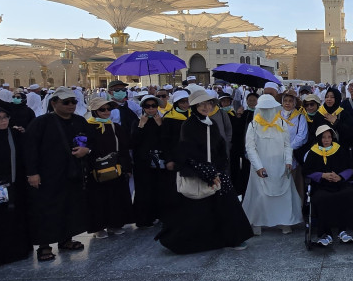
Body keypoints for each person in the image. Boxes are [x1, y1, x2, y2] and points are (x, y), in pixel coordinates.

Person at [156, 88, 252, 253]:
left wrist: (219, 168)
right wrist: (206, 172)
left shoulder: (211, 123)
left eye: (208, 103)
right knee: (195, 212)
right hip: (198, 172)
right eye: (201, 104)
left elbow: (220, 147)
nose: (205, 107)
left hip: (216, 172)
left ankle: (234, 238)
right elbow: (188, 151)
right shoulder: (189, 125)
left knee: (227, 205)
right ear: (194, 106)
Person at [23, 87, 92, 261]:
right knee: (46, 209)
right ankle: (44, 246)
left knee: (69, 206)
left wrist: (86, 150)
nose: (71, 105)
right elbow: (30, 149)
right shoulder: (41, 123)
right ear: (54, 103)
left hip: (71, 173)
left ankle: (65, 239)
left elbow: (92, 141)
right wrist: (32, 173)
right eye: (66, 102)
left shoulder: (79, 121)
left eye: (73, 102)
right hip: (48, 175)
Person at [242, 93, 302, 235]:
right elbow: (250, 148)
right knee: (260, 195)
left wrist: (288, 161)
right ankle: (257, 222)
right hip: (261, 166)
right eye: (264, 109)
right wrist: (258, 166)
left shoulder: (281, 123)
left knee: (283, 195)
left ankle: (284, 221)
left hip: (280, 166)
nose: (268, 112)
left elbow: (288, 145)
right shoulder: (254, 125)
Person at [0, 107, 33, 267]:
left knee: (17, 218)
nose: (3, 120)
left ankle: (19, 251)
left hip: (15, 186)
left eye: (5, 117)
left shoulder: (14, 135)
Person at [85, 97, 133, 237]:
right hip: (95, 169)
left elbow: (123, 148)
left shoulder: (115, 127)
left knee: (115, 197)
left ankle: (115, 224)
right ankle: (98, 227)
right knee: (97, 199)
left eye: (108, 109)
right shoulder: (88, 127)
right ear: (95, 111)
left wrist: (127, 167)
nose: (106, 112)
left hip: (115, 168)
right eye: (102, 109)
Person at [303, 124, 353, 246]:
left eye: (329, 137)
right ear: (319, 139)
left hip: (340, 184)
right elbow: (307, 171)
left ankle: (343, 230)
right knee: (322, 198)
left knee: (349, 194)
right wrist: (322, 175)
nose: (326, 140)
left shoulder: (339, 150)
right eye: (323, 137)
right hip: (321, 185)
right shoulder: (313, 152)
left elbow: (350, 168)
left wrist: (340, 176)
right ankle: (326, 233)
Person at [131, 93, 168, 229]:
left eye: (154, 106)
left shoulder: (162, 120)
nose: (151, 109)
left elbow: (166, 140)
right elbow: (134, 141)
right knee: (144, 190)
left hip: (158, 162)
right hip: (143, 162)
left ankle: (159, 215)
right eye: (148, 106)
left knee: (159, 188)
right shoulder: (138, 122)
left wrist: (160, 125)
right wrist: (141, 125)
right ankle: (144, 218)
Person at [279, 87, 309, 201]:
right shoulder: (277, 116)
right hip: (278, 155)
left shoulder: (300, 117)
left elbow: (302, 136)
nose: (287, 103)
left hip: (293, 156)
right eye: (285, 101)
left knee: (295, 184)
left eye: (290, 101)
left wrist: (289, 149)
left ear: (294, 103)